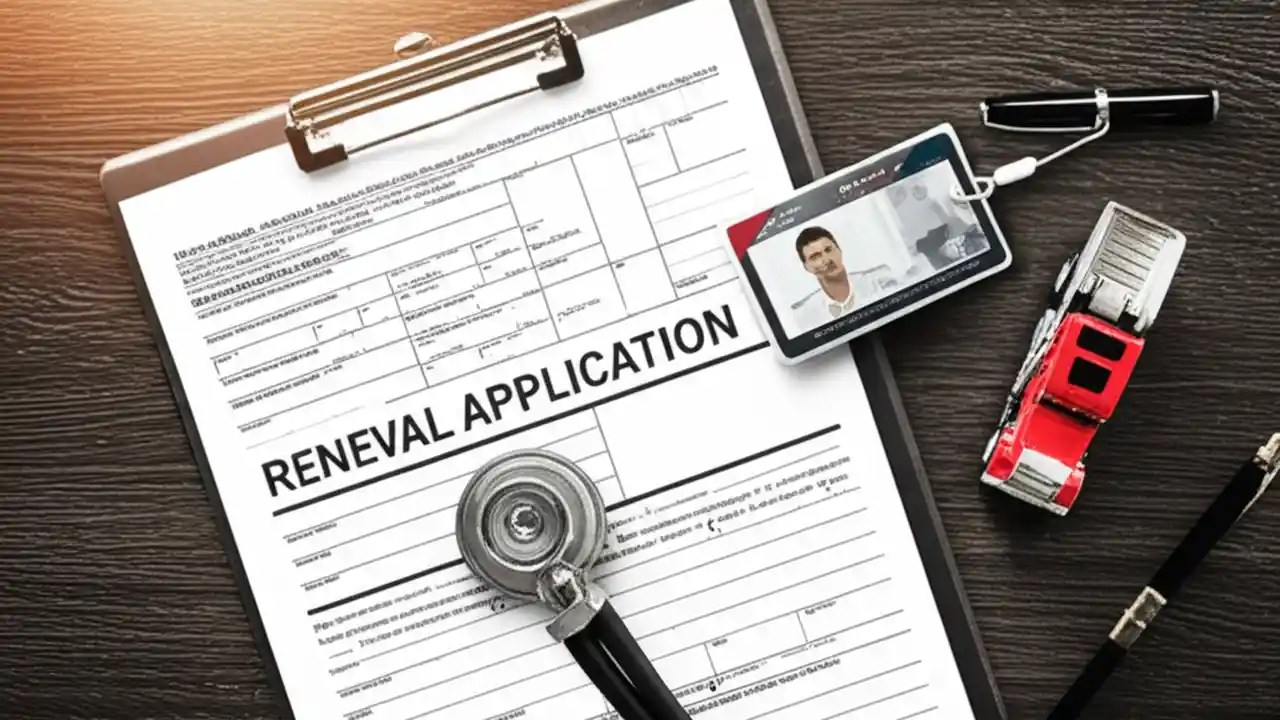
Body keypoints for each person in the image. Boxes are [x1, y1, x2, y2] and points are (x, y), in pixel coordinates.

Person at [790, 226, 860, 331]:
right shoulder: (803, 314)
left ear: (839, 249)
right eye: (815, 257)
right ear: (807, 267)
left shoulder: (879, 280)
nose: (826, 260)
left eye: (828, 250)